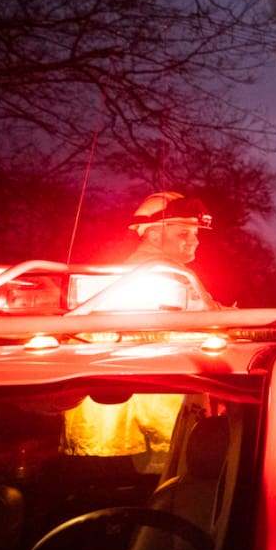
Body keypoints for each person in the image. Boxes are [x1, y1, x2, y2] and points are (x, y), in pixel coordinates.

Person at [61, 192, 213, 469]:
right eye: (183, 232)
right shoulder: (153, 278)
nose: (194, 239)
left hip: (148, 417)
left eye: (194, 232)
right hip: (153, 415)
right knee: (166, 482)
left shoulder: (166, 275)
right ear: (154, 236)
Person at [124, 191, 213, 266]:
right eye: (183, 233)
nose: (195, 241)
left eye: (195, 233)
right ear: (154, 238)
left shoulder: (166, 269)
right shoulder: (149, 271)